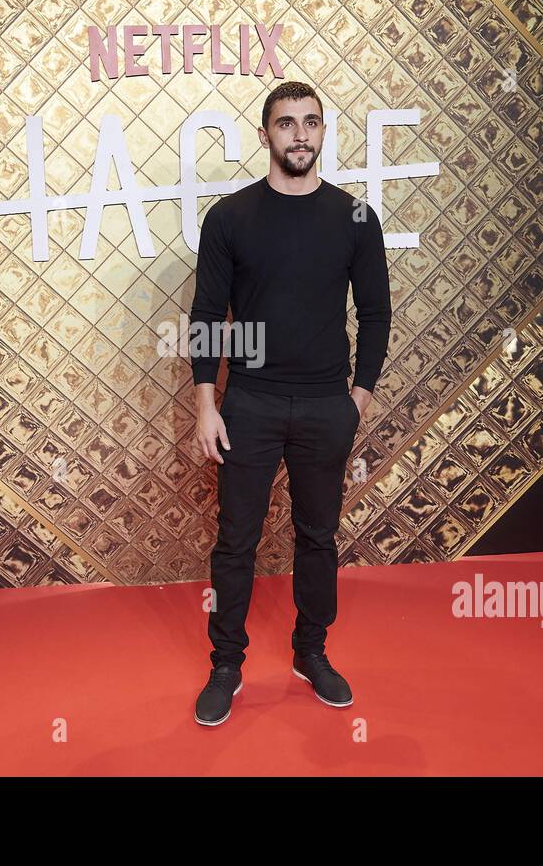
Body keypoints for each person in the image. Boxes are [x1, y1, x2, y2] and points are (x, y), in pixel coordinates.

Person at [188, 80, 391, 726]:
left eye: (310, 122)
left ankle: (312, 651)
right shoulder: (230, 217)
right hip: (249, 402)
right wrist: (205, 403)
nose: (298, 134)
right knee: (235, 542)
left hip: (328, 404)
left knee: (318, 536)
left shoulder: (356, 217)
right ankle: (226, 664)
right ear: (265, 135)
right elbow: (205, 316)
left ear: (323, 132)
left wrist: (358, 397)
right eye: (285, 123)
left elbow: (378, 313)